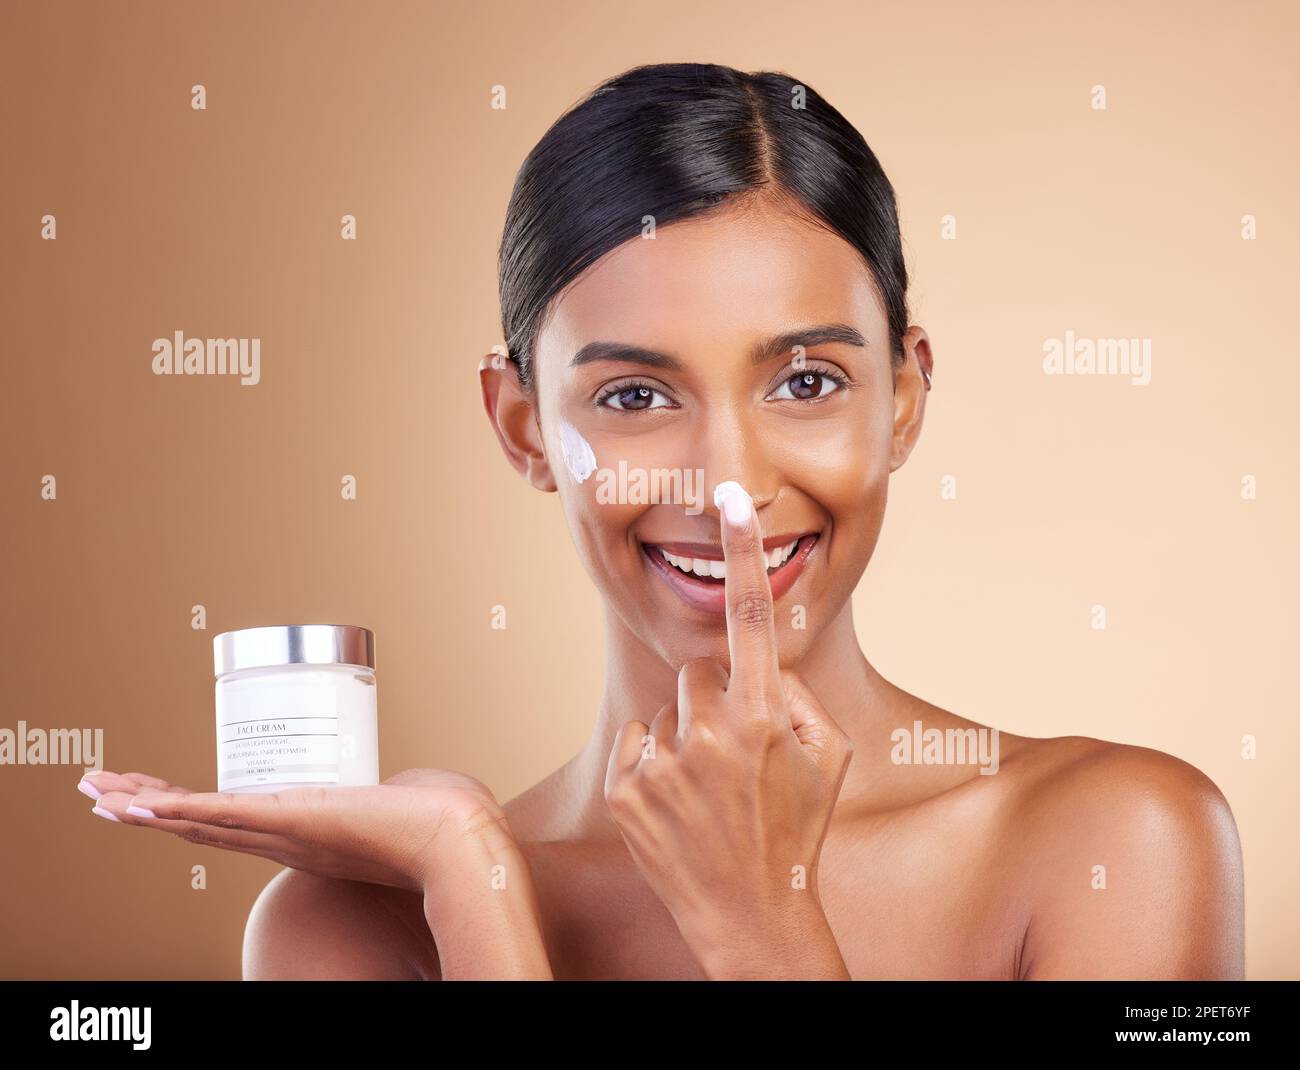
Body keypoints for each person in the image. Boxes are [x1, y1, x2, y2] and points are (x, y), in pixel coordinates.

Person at [78, 62, 1244, 980]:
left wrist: (764, 921)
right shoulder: (360, 924)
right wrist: (473, 880)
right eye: (635, 397)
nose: (726, 484)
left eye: (804, 382)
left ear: (906, 397)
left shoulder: (1119, 844)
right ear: (523, 424)